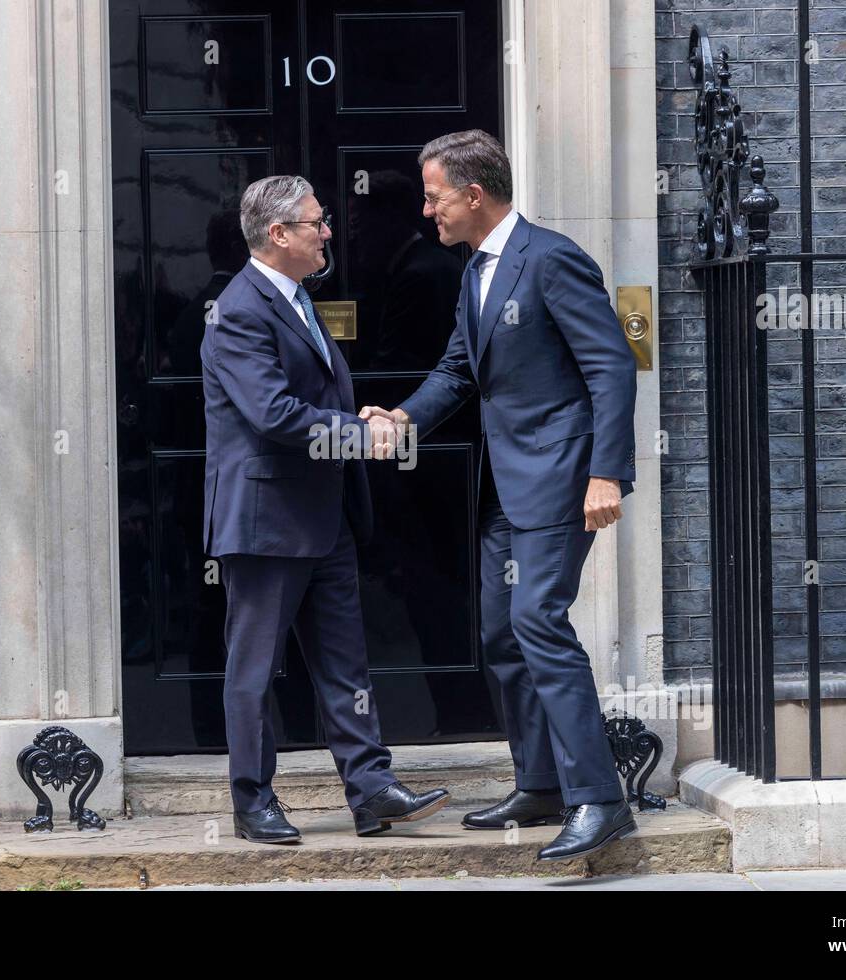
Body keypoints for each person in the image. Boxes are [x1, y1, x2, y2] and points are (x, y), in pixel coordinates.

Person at [361, 130, 639, 862]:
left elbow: (611, 367)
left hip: (560, 477)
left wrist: (606, 474)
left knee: (539, 623)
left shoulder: (550, 259)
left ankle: (600, 800)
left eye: (433, 195)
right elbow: (457, 370)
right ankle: (541, 782)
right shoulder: (475, 272)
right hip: (506, 487)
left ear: (473, 194)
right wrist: (402, 419)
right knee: (499, 633)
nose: (427, 211)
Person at [200, 174, 451, 843]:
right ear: (278, 234)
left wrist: (356, 417)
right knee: (255, 670)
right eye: (317, 222)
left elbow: (312, 400)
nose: (329, 231)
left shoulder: (296, 298)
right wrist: (360, 435)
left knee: (346, 663)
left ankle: (371, 790)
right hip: (264, 522)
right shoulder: (239, 310)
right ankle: (252, 800)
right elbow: (273, 413)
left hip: (324, 517)